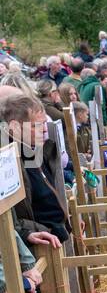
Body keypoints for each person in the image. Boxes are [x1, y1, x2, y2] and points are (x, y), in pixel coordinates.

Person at [0, 93, 70, 245]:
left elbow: (49, 194)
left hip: (55, 238)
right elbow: (8, 216)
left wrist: (66, 222)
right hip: (39, 246)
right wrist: (27, 233)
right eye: (35, 126)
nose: (44, 130)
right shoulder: (7, 162)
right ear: (14, 127)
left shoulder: (36, 150)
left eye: (44, 123)